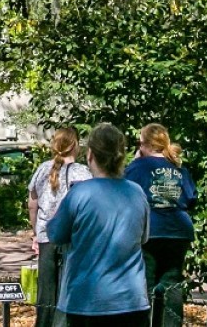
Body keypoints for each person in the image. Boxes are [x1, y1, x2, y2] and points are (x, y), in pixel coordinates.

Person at [49, 123, 149, 327]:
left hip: (87, 301)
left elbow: (56, 234)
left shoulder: (79, 194)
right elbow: (144, 238)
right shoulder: (137, 192)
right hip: (131, 300)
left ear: (90, 154)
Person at [125, 124, 197, 327]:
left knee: (145, 285)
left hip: (151, 231)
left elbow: (123, 192)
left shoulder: (138, 167)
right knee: (171, 284)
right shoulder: (178, 168)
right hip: (178, 231)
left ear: (143, 143)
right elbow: (191, 198)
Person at [29, 126, 92, 327]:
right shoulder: (82, 172)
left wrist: (35, 232)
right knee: (68, 290)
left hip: (46, 236)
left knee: (46, 293)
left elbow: (33, 204)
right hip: (72, 239)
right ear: (75, 146)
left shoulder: (42, 169)